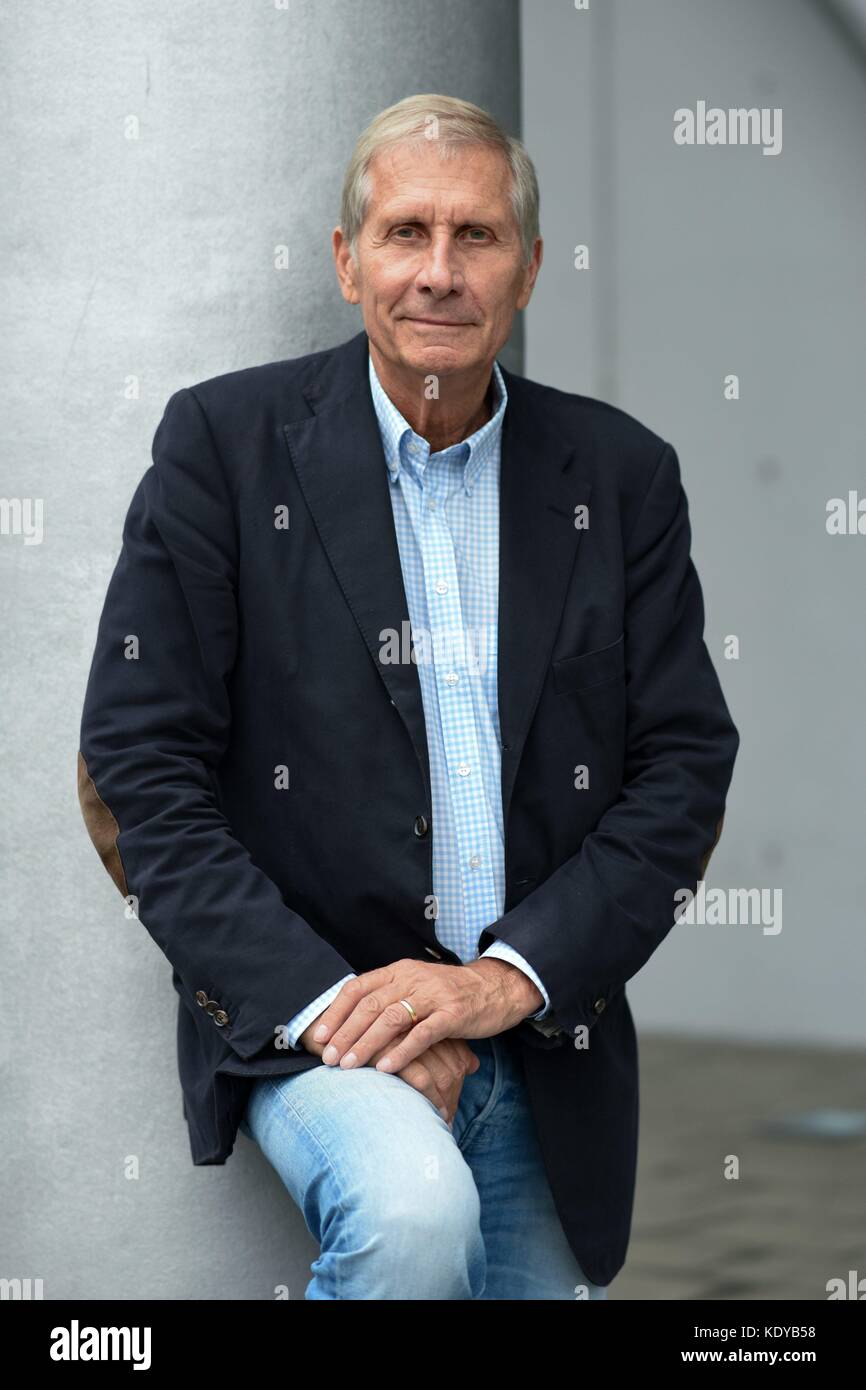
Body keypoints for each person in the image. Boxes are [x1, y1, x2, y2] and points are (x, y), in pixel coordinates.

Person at [78, 93, 739, 1299]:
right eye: (404, 233)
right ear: (345, 261)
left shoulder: (619, 476)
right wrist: (341, 1012)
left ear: (528, 269)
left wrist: (502, 982)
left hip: (543, 1036)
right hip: (313, 1022)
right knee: (411, 1218)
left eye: (476, 237)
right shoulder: (223, 450)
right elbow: (139, 764)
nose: (438, 272)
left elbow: (681, 766)